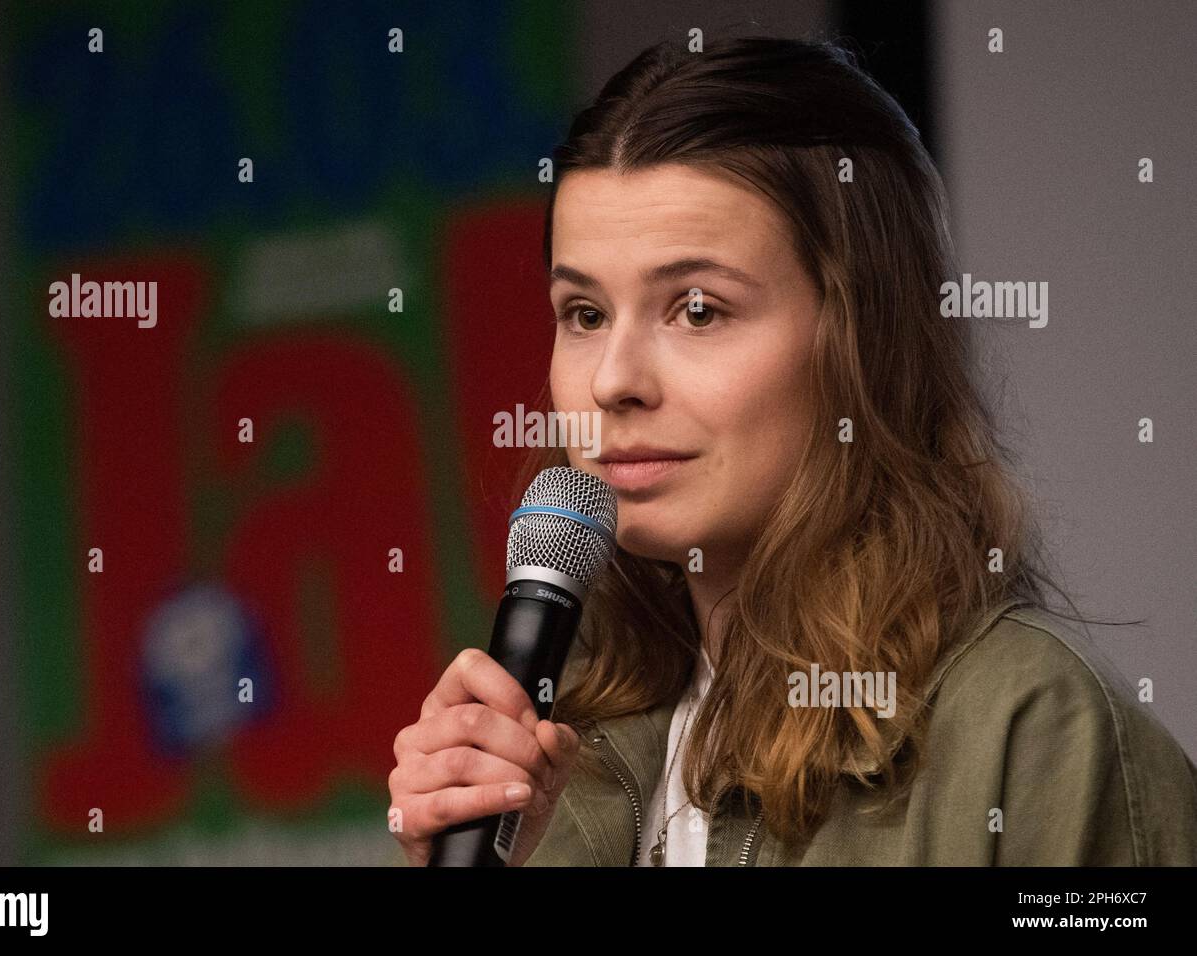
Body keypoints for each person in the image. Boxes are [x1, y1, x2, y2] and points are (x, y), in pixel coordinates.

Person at [388, 35, 1197, 867]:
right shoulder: (555, 760)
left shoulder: (1031, 728)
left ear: (864, 341)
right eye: (584, 314)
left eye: (697, 309)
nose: (612, 383)